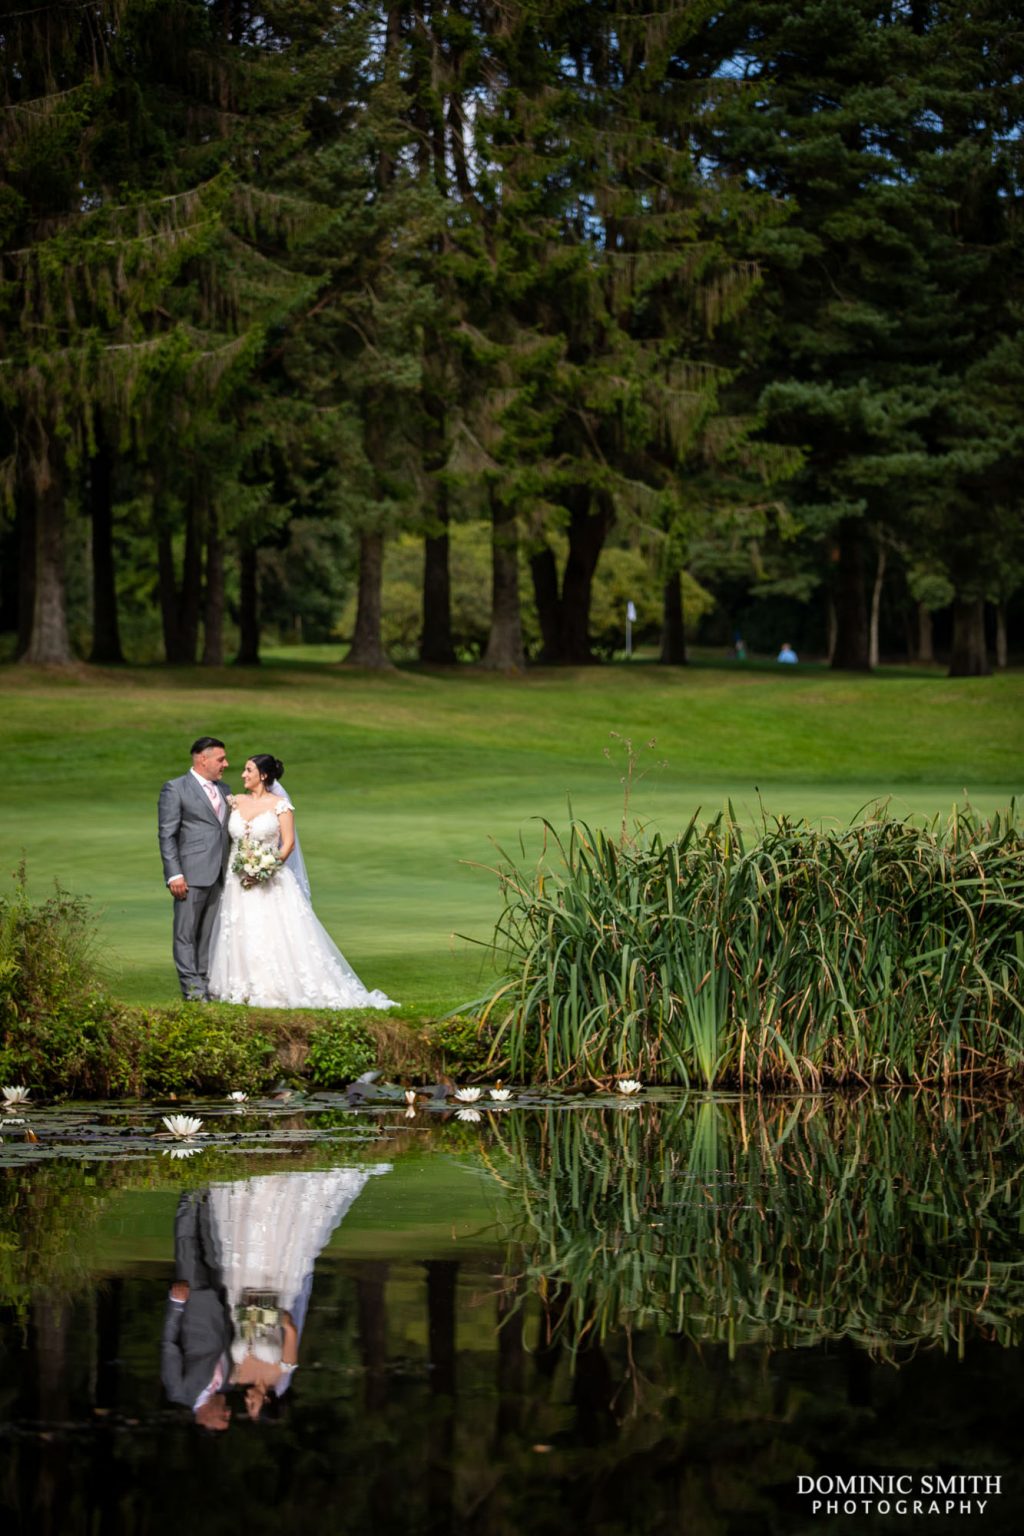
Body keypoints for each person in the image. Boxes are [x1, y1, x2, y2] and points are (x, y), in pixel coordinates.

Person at [207, 752, 396, 1009]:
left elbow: (288, 845)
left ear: (263, 775)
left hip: (269, 881)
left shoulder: (280, 805)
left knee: (272, 931)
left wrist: (263, 870)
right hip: (237, 880)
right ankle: (243, 986)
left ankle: (275, 986)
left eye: (248, 770)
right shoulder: (236, 801)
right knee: (242, 929)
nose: (243, 775)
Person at [206, 1166, 391, 1420]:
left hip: (242, 1290)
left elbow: (230, 1330)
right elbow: (290, 1328)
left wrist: (244, 1312)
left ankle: (249, 1184)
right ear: (267, 1400)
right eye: (252, 1406)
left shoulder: (236, 1376)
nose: (247, 1401)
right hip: (275, 1291)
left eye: (248, 1405)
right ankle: (278, 1184)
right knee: (274, 1241)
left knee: (245, 1237)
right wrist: (265, 1314)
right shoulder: (283, 1369)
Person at [158, 737, 231, 1000]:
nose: (226, 764)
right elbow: (167, 834)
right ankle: (192, 990)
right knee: (186, 934)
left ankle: (205, 985)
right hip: (190, 874)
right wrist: (174, 873)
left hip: (220, 873)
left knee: (208, 934)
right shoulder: (175, 788)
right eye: (221, 759)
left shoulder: (225, 789)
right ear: (203, 759)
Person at [161, 1191, 233, 1432]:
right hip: (219, 1299)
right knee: (212, 1240)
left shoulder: (179, 1391)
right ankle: (206, 1193)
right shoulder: (228, 1383)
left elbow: (169, 1344)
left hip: (192, 1303)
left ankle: (189, 1193)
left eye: (223, 1418)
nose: (228, 1412)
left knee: (187, 1244)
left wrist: (176, 1304)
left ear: (205, 1420)